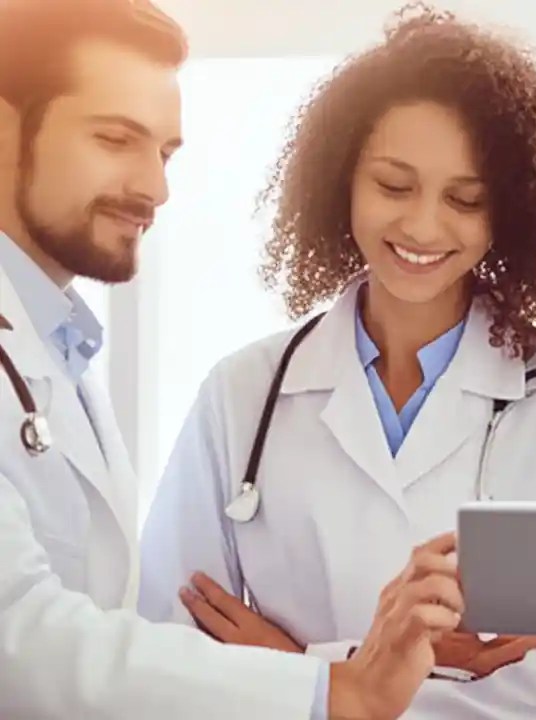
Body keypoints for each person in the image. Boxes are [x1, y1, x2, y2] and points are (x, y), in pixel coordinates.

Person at [136, 5, 536, 718]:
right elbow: (175, 649)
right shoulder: (243, 393)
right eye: (393, 186)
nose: (423, 226)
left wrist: (304, 675)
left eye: (465, 199)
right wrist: (411, 670)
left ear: (507, 213)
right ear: (342, 180)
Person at [0, 1, 468, 719]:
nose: (155, 189)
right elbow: (19, 636)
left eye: (164, 153)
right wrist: (335, 691)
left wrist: (333, 672)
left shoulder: (55, 343)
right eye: (115, 139)